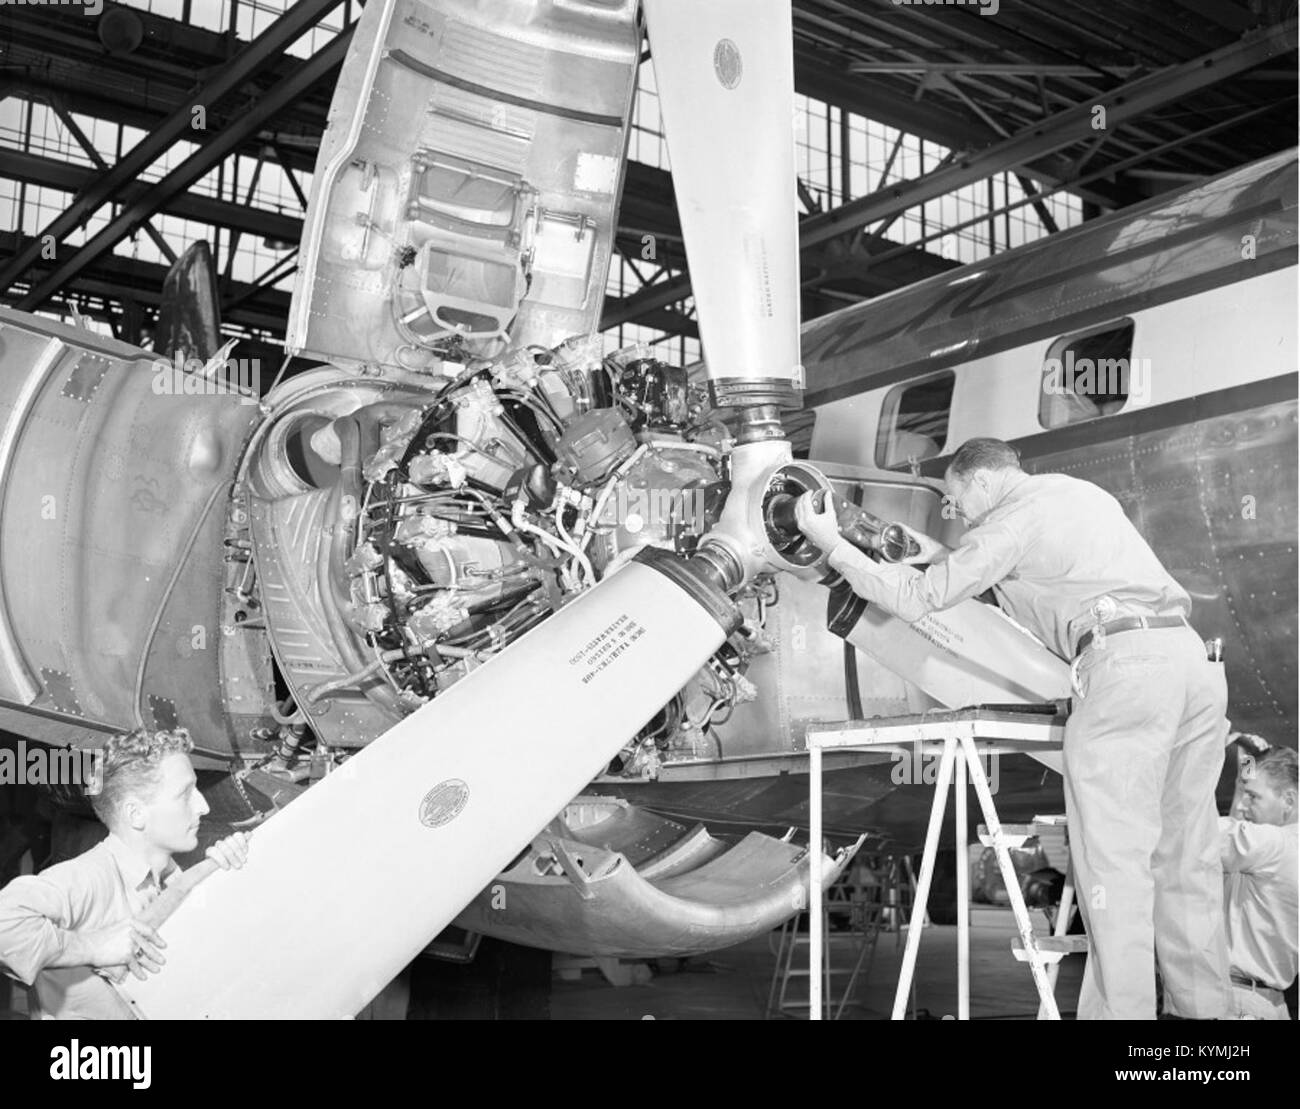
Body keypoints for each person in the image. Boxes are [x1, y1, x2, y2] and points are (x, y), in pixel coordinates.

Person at [796, 436, 1232, 1019]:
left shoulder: (1010, 520)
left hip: (1127, 672)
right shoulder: (1077, 495)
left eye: (954, 501)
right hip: (1192, 664)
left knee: (1116, 865)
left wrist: (834, 549)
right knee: (1188, 858)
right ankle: (1213, 1033)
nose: (958, 514)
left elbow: (921, 599)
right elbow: (1015, 573)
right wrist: (931, 552)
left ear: (979, 481)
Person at [0, 728, 249, 1018]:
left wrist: (223, 868)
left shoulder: (170, 879)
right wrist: (93, 947)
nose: (203, 806)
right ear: (136, 814)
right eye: (185, 794)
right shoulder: (91, 877)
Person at [1220, 742, 1297, 1019]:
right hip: (1273, 1005)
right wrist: (1247, 759)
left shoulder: (1275, 846)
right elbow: (1238, 818)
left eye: (1253, 797)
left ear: (1288, 800)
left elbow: (1200, 833)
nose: (1242, 805)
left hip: (1242, 1004)